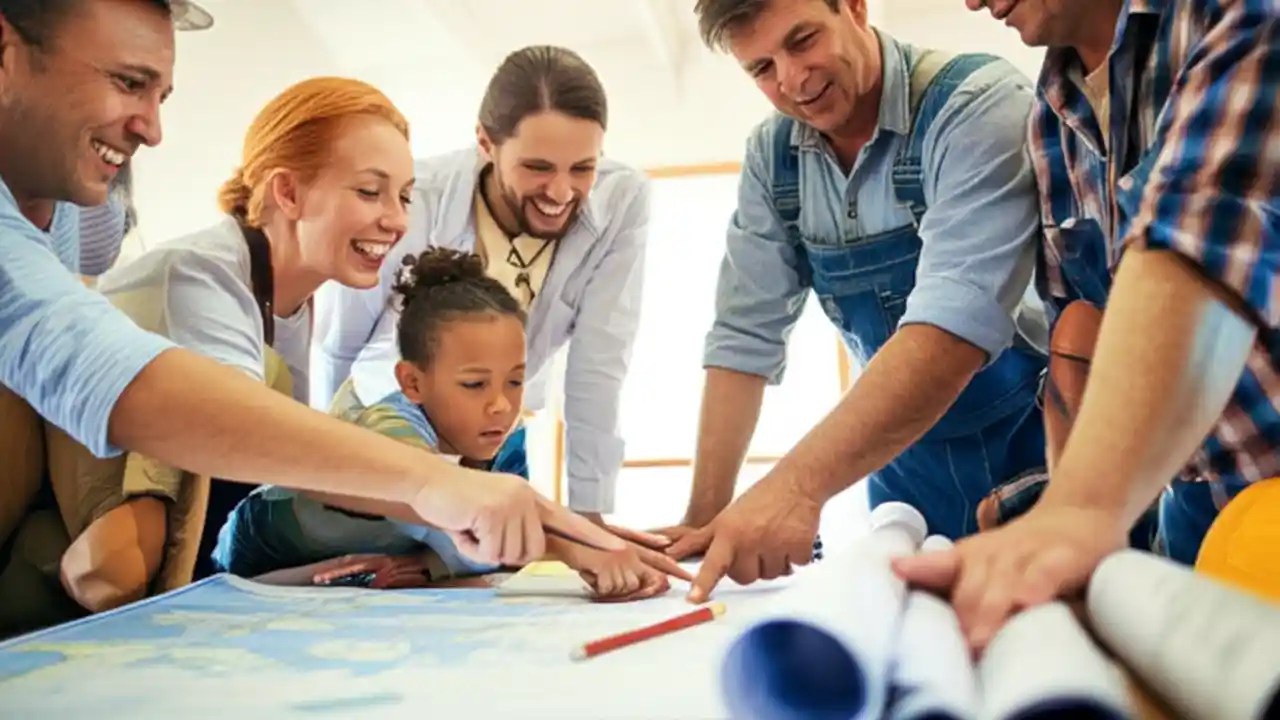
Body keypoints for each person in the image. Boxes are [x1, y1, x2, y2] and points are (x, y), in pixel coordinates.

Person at [0, 0, 621, 633]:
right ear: (287, 192)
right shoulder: (201, 277)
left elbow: (242, 495)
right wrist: (442, 487)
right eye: (369, 191)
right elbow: (225, 429)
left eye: (405, 196)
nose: (396, 220)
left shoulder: (290, 304)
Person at [895, 0, 1280, 651]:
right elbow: (1079, 323)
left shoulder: (1233, 14)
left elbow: (1200, 242)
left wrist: (1080, 512)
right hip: (1191, 505)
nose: (969, 2)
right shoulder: (1051, 116)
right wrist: (1060, 503)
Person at [664, 0, 1051, 602]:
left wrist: (793, 488)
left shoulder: (976, 105)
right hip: (904, 478)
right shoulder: (774, 161)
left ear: (855, 7)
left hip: (1036, 459)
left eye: (803, 40)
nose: (793, 80)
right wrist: (703, 520)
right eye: (762, 69)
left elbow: (952, 331)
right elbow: (744, 339)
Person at [215, 248, 687, 601]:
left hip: (360, 570)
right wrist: (582, 545)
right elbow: (467, 519)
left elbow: (505, 542)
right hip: (254, 561)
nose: (501, 405)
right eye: (475, 384)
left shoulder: (504, 436)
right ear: (412, 382)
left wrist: (601, 543)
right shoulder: (387, 423)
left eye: (517, 381)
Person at [313, 46, 652, 531]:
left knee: (503, 561)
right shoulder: (416, 195)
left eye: (582, 168)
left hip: (498, 425)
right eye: (537, 168)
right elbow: (343, 342)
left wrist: (589, 518)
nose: (560, 192)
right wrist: (329, 460)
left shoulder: (623, 200)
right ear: (486, 144)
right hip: (390, 409)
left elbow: (599, 366)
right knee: (440, 545)